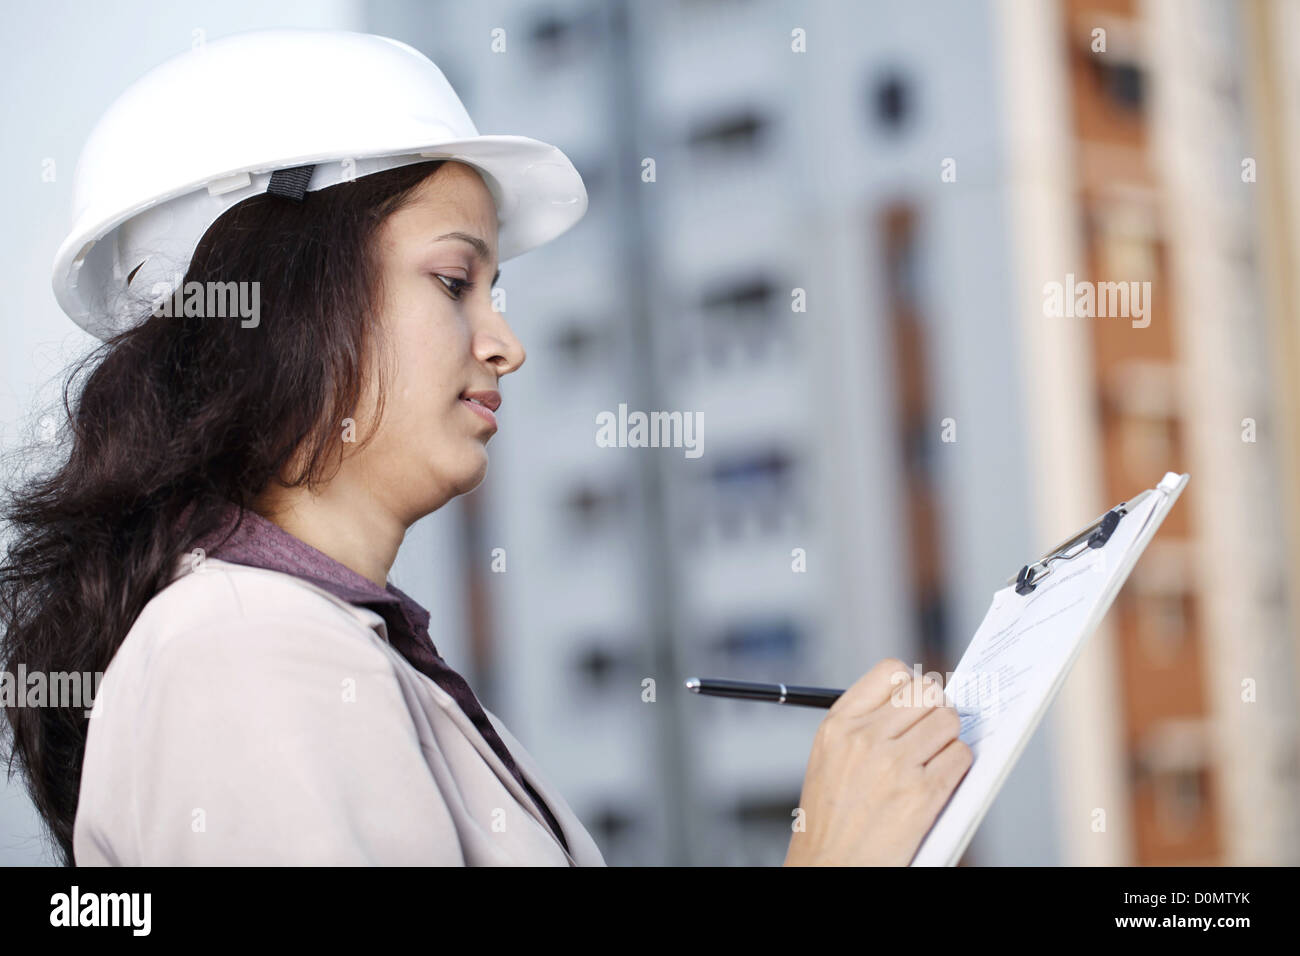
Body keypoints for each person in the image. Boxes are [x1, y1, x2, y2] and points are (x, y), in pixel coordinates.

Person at [1, 28, 970, 866]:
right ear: (280, 296)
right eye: (454, 279)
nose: (507, 342)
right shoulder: (242, 649)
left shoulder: (329, 648)